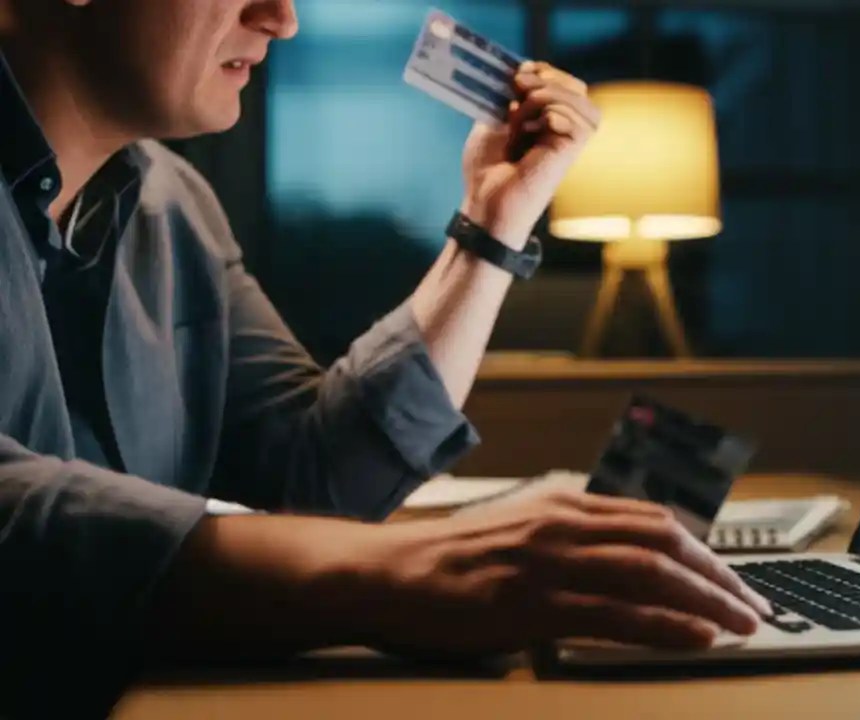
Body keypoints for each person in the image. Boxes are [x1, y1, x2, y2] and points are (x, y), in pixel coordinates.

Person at [0, 0, 769, 715]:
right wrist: (396, 570)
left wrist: (494, 225)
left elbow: (312, 481)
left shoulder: (176, 208)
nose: (282, 18)